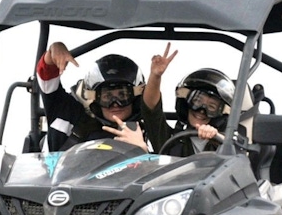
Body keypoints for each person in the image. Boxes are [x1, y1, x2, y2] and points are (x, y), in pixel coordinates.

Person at [35, 41, 176, 152]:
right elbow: (47, 78)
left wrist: (141, 150)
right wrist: (55, 50)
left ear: (135, 96)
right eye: (107, 96)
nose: (115, 104)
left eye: (122, 95)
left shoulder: (149, 132)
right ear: (94, 97)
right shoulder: (69, 113)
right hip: (58, 186)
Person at [169, 67, 252, 156]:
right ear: (186, 103)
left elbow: (240, 157)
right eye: (197, 101)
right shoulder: (171, 140)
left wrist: (216, 137)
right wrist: (156, 76)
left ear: (220, 114)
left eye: (212, 107)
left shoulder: (229, 145)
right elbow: (154, 114)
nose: (202, 110)